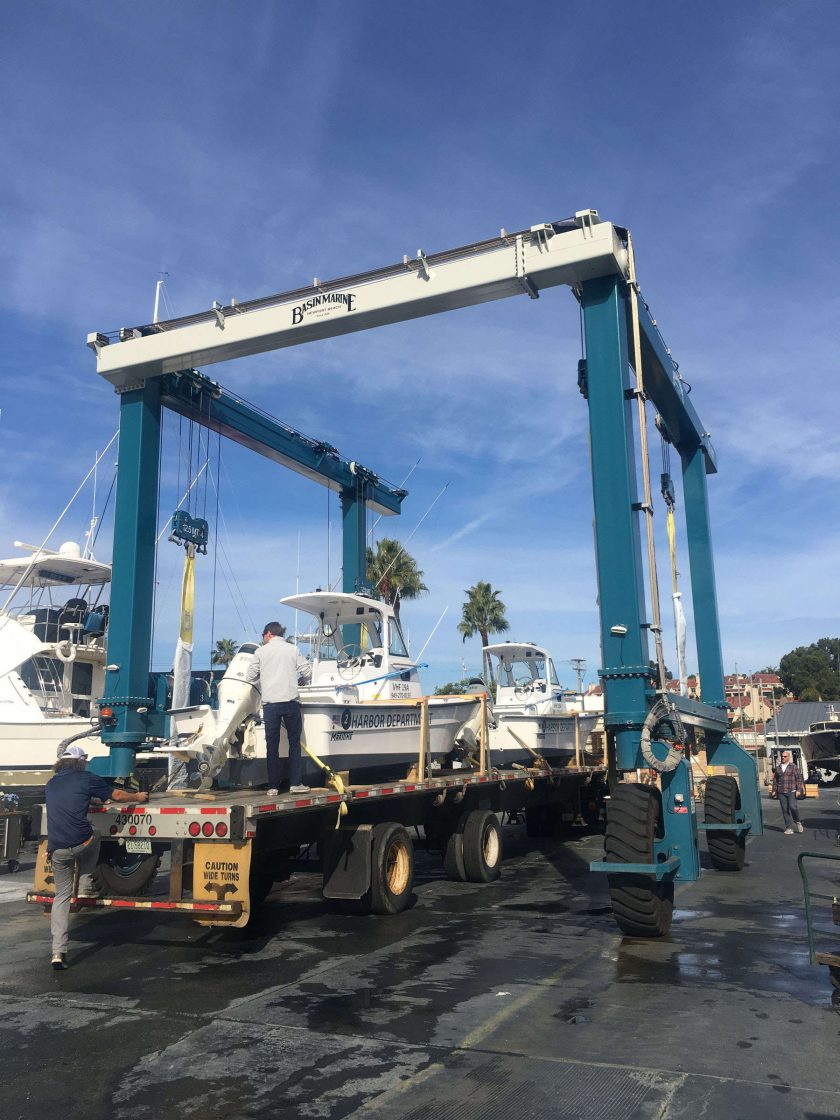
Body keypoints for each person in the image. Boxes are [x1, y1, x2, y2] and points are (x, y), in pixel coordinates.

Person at [45, 744, 149, 970]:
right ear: (81, 761)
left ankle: (58, 952)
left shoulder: (51, 783)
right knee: (97, 834)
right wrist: (138, 796)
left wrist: (89, 800)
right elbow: (119, 795)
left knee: (61, 898)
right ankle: (85, 883)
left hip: (57, 850)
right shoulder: (86, 778)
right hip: (82, 843)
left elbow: (68, 800)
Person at [246, 621, 311, 796]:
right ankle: (295, 784)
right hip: (291, 702)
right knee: (294, 743)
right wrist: (302, 681)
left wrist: (264, 676)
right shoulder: (292, 649)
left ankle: (273, 786)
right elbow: (307, 672)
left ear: (268, 634)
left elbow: (250, 676)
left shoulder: (260, 652)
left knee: (272, 745)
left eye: (263, 635)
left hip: (270, 705)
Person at [770, 749, 805, 835]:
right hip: (781, 791)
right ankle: (789, 828)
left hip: (792, 791)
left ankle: (797, 821)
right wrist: (774, 790)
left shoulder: (793, 767)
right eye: (782, 756)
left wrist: (798, 790)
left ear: (788, 757)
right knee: (785, 810)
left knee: (793, 807)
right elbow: (775, 780)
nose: (783, 758)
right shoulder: (778, 768)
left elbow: (799, 779)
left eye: (785, 756)